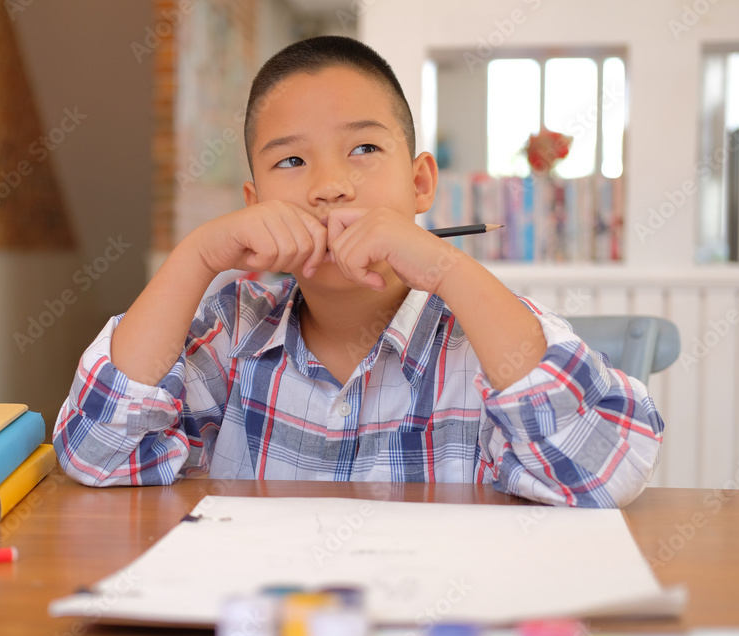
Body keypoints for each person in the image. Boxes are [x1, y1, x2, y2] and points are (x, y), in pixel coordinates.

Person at [53, 36, 663, 507]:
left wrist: (450, 269)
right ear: (254, 201)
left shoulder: (488, 334)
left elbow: (605, 473)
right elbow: (95, 454)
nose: (330, 186)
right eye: (291, 160)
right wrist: (196, 258)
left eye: (364, 150)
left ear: (421, 183)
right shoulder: (232, 331)